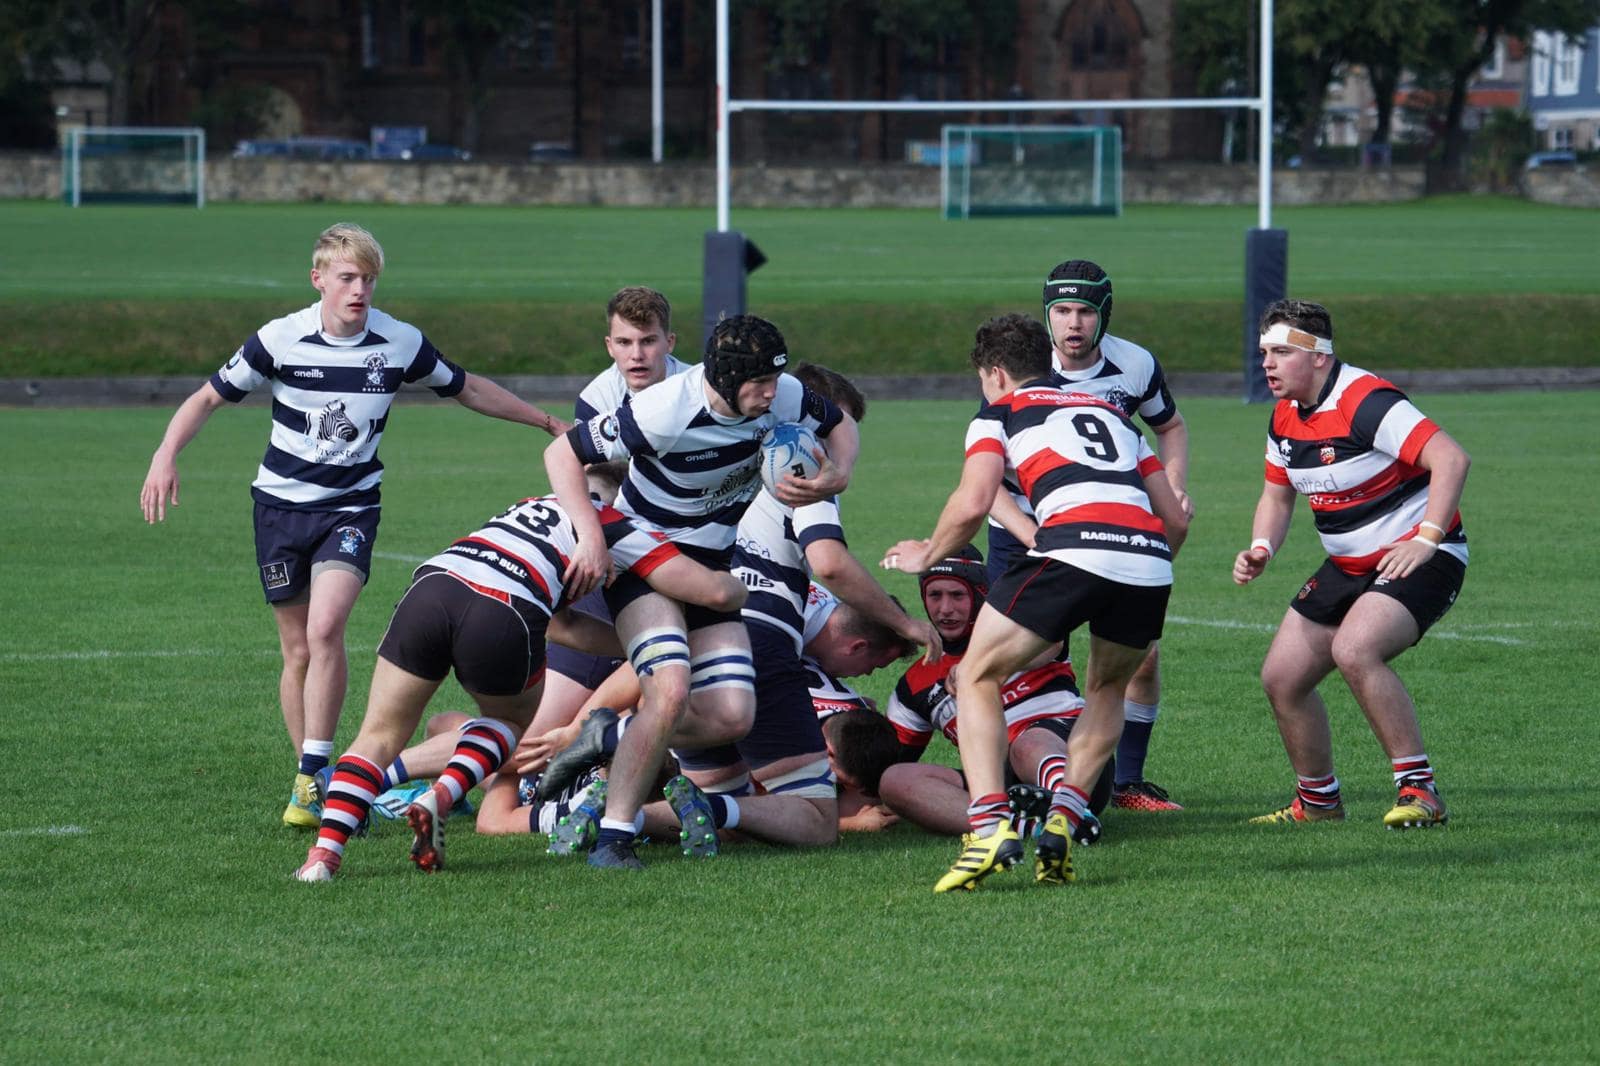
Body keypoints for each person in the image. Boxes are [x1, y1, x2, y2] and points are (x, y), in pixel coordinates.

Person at [138, 222, 570, 830]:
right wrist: (165, 454)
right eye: (347, 278)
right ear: (318, 279)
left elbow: (467, 388)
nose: (359, 290)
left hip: (351, 508)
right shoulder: (279, 339)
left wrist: (545, 422)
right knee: (296, 650)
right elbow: (208, 397)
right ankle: (310, 780)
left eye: (368, 279)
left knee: (326, 628)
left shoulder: (398, 342)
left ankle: (323, 770)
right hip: (279, 508)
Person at [292, 491, 747, 881]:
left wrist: (630, 644)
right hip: (504, 608)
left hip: (432, 588)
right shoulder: (614, 522)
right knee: (508, 724)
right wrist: (748, 586)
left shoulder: (532, 504)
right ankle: (443, 794)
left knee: (378, 734)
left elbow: (566, 625)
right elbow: (713, 592)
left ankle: (322, 858)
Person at [883, 313, 1187, 892]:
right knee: (1107, 690)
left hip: (1071, 545)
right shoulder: (1114, 416)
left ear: (995, 373)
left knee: (975, 674)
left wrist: (927, 554)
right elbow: (1174, 518)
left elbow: (975, 500)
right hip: (1148, 560)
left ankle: (989, 827)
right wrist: (1140, 564)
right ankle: (1063, 822)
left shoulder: (997, 413)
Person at [544, 313, 858, 869]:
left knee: (734, 715)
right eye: (758, 384)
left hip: (709, 563)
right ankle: (614, 838)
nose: (772, 394)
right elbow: (562, 453)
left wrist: (840, 473)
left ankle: (610, 735)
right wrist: (592, 537)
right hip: (642, 560)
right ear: (725, 379)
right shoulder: (665, 410)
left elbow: (841, 424)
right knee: (669, 691)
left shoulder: (782, 394)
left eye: (774, 380)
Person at [1234, 299, 1469, 830]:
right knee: (1282, 677)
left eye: (1281, 352)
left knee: (1355, 649)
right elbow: (1276, 496)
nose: (1266, 363)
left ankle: (1421, 791)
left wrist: (1428, 538)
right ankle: (1318, 803)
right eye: (1264, 352)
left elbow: (1451, 458)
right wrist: (1261, 547)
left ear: (1319, 356)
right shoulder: (1285, 414)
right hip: (1347, 565)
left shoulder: (1365, 401)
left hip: (1421, 556)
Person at [986, 259, 1193, 813]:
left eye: (1084, 311)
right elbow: (987, 479)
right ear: (1046, 315)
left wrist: (1171, 488)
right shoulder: (1025, 370)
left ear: (1104, 315)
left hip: (1107, 524)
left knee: (1138, 659)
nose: (1072, 324)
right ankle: (1003, 775)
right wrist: (1031, 533)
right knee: (1026, 656)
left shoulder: (1135, 365)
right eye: (1061, 312)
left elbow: (1169, 426)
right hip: (1025, 528)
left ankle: (1126, 782)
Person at [535, 287, 692, 758]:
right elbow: (593, 484)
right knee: (546, 722)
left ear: (669, 342)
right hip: (623, 552)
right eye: (624, 343)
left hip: (686, 553)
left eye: (648, 341)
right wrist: (593, 540)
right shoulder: (598, 397)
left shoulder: (695, 390)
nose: (636, 355)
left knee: (665, 689)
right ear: (609, 345)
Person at [874, 547, 1113, 839]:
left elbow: (1051, 642)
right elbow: (887, 761)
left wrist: (977, 666)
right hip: (997, 782)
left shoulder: (1018, 629)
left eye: (957, 595)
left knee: (1025, 746)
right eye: (935, 595)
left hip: (1074, 760)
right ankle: (1029, 828)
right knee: (893, 780)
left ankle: (1069, 809)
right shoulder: (914, 685)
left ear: (980, 593)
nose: (945, 608)